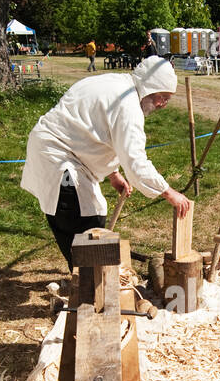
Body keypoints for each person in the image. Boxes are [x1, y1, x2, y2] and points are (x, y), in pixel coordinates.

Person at [21, 56, 192, 270]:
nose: (162, 105)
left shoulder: (117, 84)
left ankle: (88, 279)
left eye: (167, 99)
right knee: (83, 223)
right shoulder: (127, 106)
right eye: (162, 97)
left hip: (63, 154)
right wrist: (168, 192)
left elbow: (94, 131)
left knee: (92, 217)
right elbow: (136, 162)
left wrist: (113, 174)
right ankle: (89, 284)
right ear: (150, 88)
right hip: (57, 157)